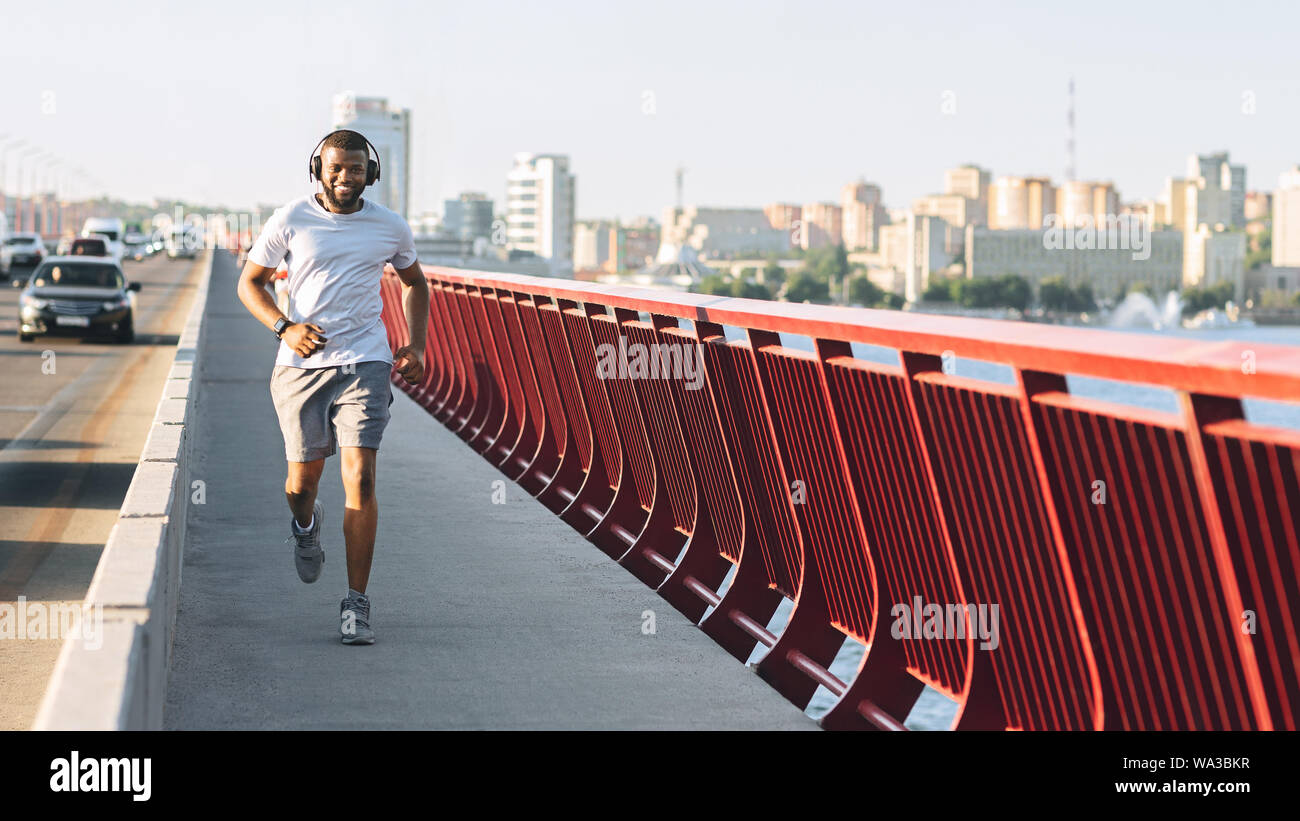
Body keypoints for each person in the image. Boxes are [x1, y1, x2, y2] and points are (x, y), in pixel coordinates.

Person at [236, 129, 429, 645]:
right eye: (336, 168)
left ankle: (356, 604)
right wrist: (285, 327)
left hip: (366, 361)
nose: (346, 177)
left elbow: (414, 282)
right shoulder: (291, 218)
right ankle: (305, 527)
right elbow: (249, 283)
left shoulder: (389, 226)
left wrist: (416, 345)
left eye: (356, 169)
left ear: (371, 173)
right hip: (300, 368)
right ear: (318, 169)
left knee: (360, 478)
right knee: (302, 486)